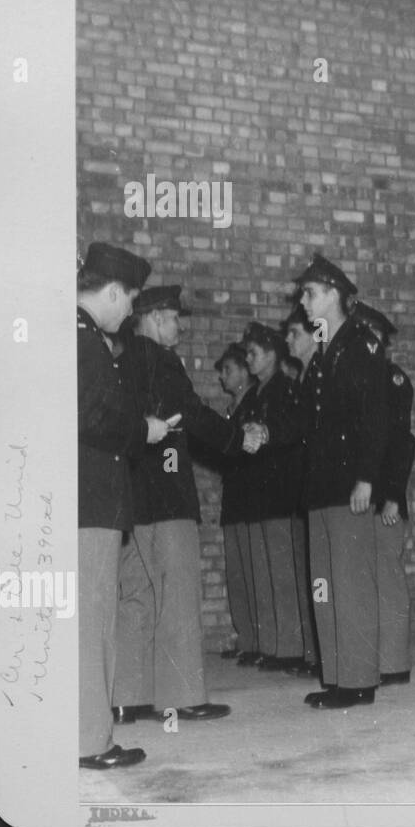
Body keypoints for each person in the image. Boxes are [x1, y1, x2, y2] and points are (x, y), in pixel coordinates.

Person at [112, 285, 234, 725]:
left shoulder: (119, 359)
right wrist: (239, 439)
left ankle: (127, 698)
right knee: (179, 592)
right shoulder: (162, 361)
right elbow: (194, 415)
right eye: (174, 317)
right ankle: (183, 697)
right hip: (167, 496)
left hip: (130, 496)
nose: (180, 326)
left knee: (136, 594)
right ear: (155, 317)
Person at [77, 242, 168, 768]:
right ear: (112, 292)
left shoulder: (77, 335)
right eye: (130, 299)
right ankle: (92, 741)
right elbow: (94, 419)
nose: (131, 311)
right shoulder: (87, 342)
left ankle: (83, 734)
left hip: (82, 501)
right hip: (92, 505)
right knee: (95, 622)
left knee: (87, 621)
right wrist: (145, 429)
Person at [295, 254, 389, 709]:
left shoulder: (359, 345)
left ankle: (358, 679)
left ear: (334, 294)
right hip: (321, 487)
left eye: (310, 293)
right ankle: (336, 674)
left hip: (349, 485)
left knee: (350, 582)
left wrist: (367, 478)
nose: (303, 301)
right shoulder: (325, 350)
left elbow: (375, 419)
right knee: (325, 583)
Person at [235, 322, 308, 673]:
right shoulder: (254, 395)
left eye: (254, 352)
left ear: (273, 354)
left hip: (281, 494)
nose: (248, 359)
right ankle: (272, 645)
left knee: (282, 575)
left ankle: (290, 647)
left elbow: (290, 437)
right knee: (264, 575)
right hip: (257, 495)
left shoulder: (286, 390)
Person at [353, 303, 415, 687]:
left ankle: (394, 663)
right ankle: (374, 659)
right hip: (363, 495)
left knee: (388, 579)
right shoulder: (362, 379)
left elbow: (401, 442)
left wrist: (393, 494)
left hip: (386, 498)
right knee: (367, 580)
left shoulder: (392, 380)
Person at [282, 305, 322, 677]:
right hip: (308, 487)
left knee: (324, 579)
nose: (288, 340)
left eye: (294, 333)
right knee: (314, 577)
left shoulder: (321, 372)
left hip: (325, 487)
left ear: (313, 335)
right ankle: (318, 655)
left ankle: (325, 657)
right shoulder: (305, 378)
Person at [213, 343, 254, 661]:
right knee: (239, 572)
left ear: (243, 371)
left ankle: (259, 641)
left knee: (254, 571)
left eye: (228, 369)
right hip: (236, 497)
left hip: (252, 497)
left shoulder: (254, 402)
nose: (223, 377)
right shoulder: (235, 407)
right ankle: (247, 639)